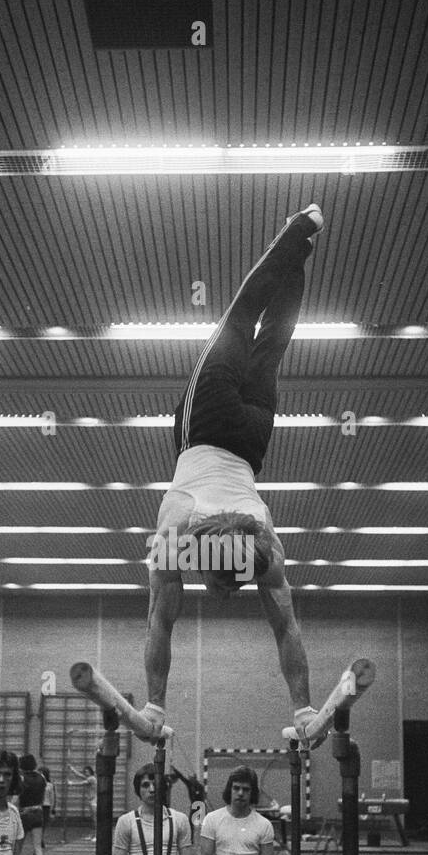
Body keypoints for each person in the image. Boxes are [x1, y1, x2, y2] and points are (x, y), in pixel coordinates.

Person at [141, 207, 326, 746]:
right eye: (230, 583)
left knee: (269, 341)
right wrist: (303, 709)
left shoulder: (262, 547)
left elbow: (162, 620)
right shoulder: (181, 541)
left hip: (249, 440)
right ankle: (295, 241)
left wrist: (306, 709)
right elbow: (162, 620)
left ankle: (298, 250)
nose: (225, 592)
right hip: (207, 428)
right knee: (243, 320)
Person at [16, 754, 48, 855]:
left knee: (17, 849)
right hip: (38, 812)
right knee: (37, 847)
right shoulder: (42, 777)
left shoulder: (21, 778)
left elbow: (17, 798)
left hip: (24, 814)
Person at [68, 763, 97, 838]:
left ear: (90, 772)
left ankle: (96, 835)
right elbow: (79, 775)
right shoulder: (89, 777)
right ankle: (92, 835)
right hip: (91, 800)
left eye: (87, 772)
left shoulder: (92, 778)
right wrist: (72, 769)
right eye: (85, 772)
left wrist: (72, 783)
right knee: (92, 818)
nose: (86, 773)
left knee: (95, 819)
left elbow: (82, 783)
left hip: (94, 800)